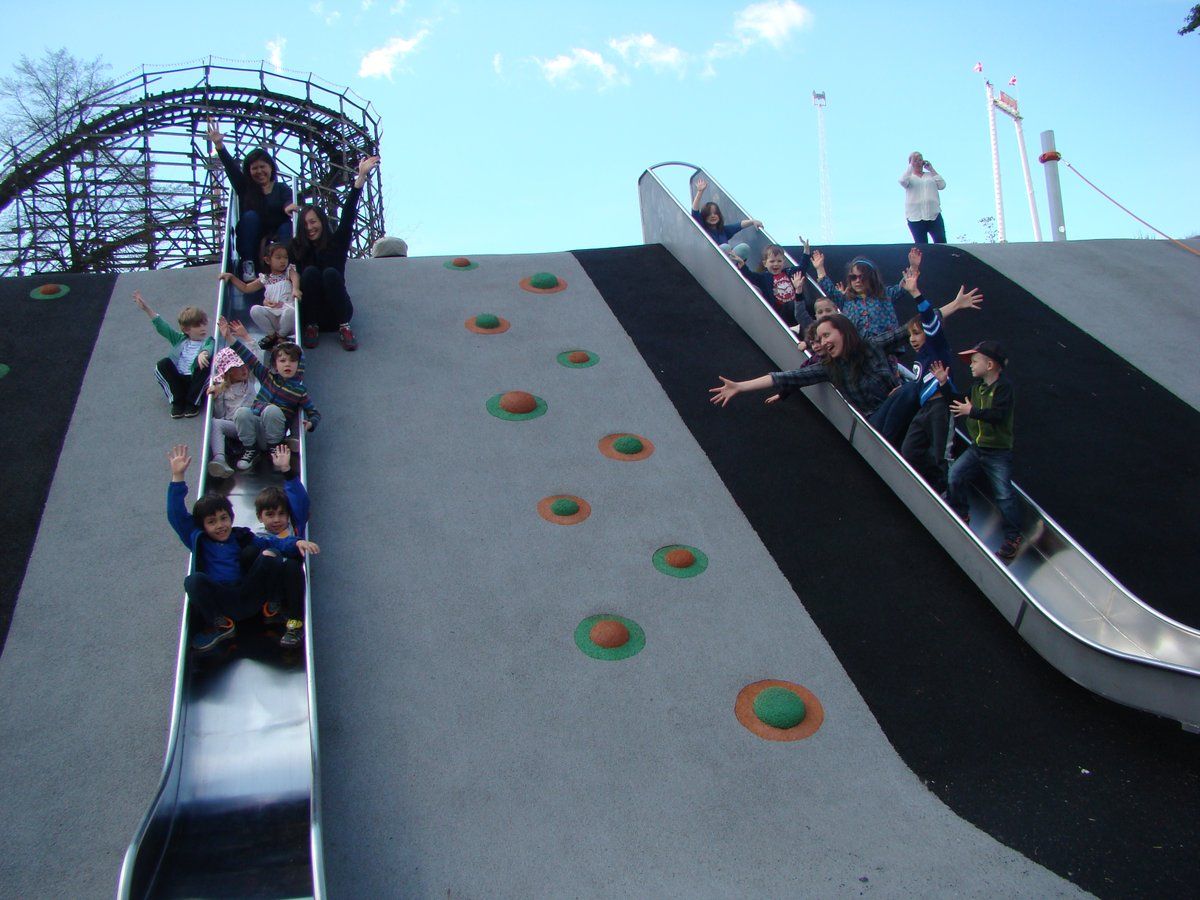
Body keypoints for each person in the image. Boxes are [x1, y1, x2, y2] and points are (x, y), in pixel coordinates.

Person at [166, 443, 314, 652]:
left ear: (231, 518)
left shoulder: (241, 536)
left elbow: (273, 542)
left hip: (249, 594)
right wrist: (177, 477)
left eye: (223, 518)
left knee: (269, 554)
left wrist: (296, 541)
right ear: (203, 526)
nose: (220, 525)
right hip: (224, 601)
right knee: (193, 581)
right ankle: (220, 625)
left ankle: (271, 606)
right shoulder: (198, 539)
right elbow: (176, 516)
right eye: (212, 522)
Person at [709, 313, 923, 446]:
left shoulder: (872, 346)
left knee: (915, 391)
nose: (823, 342)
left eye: (827, 335)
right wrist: (740, 386)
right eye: (819, 339)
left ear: (843, 332)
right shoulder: (828, 368)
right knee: (909, 391)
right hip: (877, 422)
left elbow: (909, 329)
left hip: (900, 411)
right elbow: (786, 377)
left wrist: (954, 305)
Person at [895, 269, 984, 492]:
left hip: (941, 406)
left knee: (941, 454)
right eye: (911, 335)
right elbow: (915, 383)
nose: (913, 339)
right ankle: (936, 484)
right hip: (924, 409)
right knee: (909, 450)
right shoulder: (921, 359)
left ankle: (949, 494)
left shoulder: (937, 348)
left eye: (917, 333)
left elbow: (930, 320)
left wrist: (916, 293)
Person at [289, 154, 380, 351]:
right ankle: (311, 327)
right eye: (305, 224)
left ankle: (344, 328)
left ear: (322, 221)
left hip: (337, 311)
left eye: (313, 222)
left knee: (330, 273)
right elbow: (276, 256)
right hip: (311, 313)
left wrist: (360, 179)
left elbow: (348, 216)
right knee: (311, 273)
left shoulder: (336, 243)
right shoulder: (297, 247)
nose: (310, 227)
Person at [943, 340, 1022, 560]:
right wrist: (944, 384)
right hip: (978, 448)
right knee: (955, 475)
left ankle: (1013, 536)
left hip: (997, 452)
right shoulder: (977, 388)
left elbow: (997, 415)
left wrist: (972, 411)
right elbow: (959, 402)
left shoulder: (1003, 389)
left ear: (990, 365)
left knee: (1004, 494)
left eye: (974, 361)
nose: (970, 365)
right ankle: (961, 513)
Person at [218, 316, 321, 471]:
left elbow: (314, 413)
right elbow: (249, 357)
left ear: (299, 366)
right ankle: (250, 450)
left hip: (274, 435)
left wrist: (310, 424)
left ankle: (275, 450)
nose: (287, 364)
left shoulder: (299, 391)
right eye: (283, 361)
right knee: (242, 412)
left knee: (271, 410)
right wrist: (229, 337)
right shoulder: (267, 376)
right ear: (275, 364)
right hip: (256, 431)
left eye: (292, 361)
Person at [206, 119, 297, 280]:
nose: (259, 171)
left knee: (286, 226)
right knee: (250, 217)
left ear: (271, 168)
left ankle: (286, 268)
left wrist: (289, 207)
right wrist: (219, 146)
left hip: (277, 234)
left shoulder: (281, 188)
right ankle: (248, 265)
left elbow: (288, 201)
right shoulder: (246, 188)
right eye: (254, 168)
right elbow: (231, 169)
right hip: (252, 237)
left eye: (263, 167)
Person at [247, 445, 315, 648]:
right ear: (260, 516)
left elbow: (301, 500)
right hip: (268, 584)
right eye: (270, 514)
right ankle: (269, 605)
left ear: (288, 515)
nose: (276, 520)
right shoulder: (259, 536)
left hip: (291, 580)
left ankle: (295, 625)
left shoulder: (295, 527)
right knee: (262, 554)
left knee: (292, 566)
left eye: (281, 514)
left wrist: (287, 471)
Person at [134, 290, 214, 418]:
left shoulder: (208, 341)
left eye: (204, 323)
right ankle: (178, 401)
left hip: (195, 381)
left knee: (206, 365)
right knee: (162, 364)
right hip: (180, 379)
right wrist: (147, 309)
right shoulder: (180, 339)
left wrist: (203, 353)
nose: (203, 328)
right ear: (187, 329)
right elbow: (163, 328)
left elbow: (210, 348)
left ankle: (193, 403)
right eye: (198, 325)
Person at [812, 250, 918, 339]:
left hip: (885, 349)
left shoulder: (885, 294)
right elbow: (829, 289)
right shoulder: (845, 300)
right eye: (853, 277)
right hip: (858, 351)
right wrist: (819, 268)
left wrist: (913, 267)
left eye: (862, 277)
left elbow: (905, 286)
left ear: (871, 277)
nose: (857, 281)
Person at [219, 242, 300, 350]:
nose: (283, 261)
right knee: (255, 309)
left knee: (291, 312)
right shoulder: (265, 278)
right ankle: (272, 334)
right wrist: (232, 277)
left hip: (286, 312)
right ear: (267, 260)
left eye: (285, 257)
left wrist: (295, 289)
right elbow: (246, 288)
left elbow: (295, 277)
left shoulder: (288, 272)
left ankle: (281, 336)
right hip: (272, 312)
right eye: (278, 258)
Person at [732, 241, 813, 329]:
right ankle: (792, 327)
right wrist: (742, 264)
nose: (776, 264)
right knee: (789, 306)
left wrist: (806, 251)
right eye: (772, 261)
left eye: (779, 261)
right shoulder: (763, 278)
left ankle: (802, 325)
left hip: (795, 309)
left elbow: (802, 268)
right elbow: (750, 276)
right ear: (765, 264)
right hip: (780, 312)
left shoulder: (789, 272)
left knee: (807, 304)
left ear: (783, 262)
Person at [205, 347, 258, 479]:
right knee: (215, 423)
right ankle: (220, 460)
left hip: (251, 425)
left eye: (244, 365)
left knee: (243, 413)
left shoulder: (249, 383)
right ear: (229, 372)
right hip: (234, 427)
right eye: (238, 367)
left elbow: (256, 356)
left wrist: (245, 336)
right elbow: (219, 415)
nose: (244, 369)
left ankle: (252, 450)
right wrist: (216, 397)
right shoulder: (224, 390)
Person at [691, 177, 762, 249]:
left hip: (727, 256)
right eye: (709, 214)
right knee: (725, 247)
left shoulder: (723, 231)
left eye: (715, 213)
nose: (713, 216)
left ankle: (735, 259)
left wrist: (753, 221)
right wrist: (700, 192)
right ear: (704, 216)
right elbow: (695, 211)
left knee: (744, 247)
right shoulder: (703, 228)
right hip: (711, 257)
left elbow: (739, 225)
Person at [900, 151, 947, 244]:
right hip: (915, 216)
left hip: (934, 214)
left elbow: (942, 185)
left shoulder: (930, 176)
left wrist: (931, 169)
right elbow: (902, 181)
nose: (918, 162)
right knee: (921, 245)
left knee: (941, 242)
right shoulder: (909, 177)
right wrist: (911, 166)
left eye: (920, 160)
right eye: (915, 160)